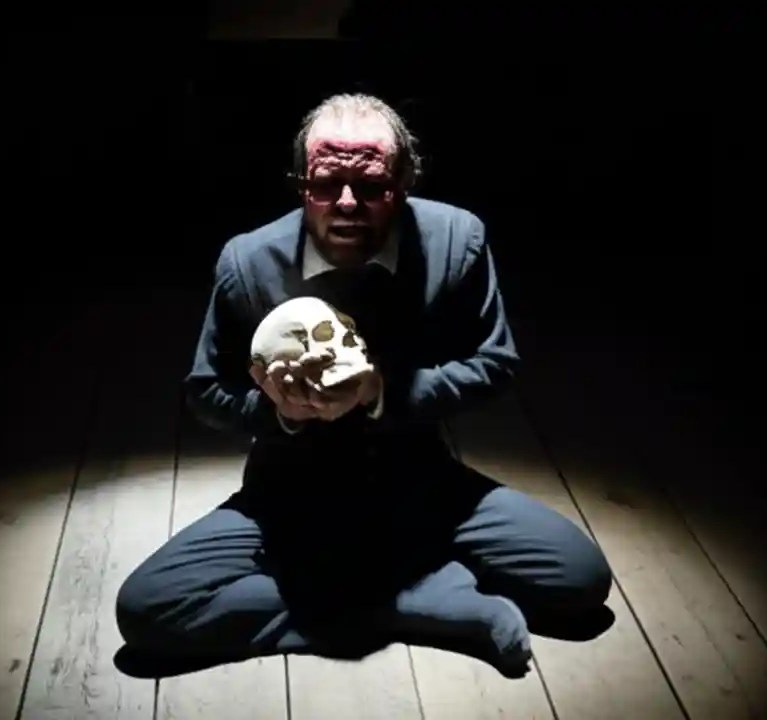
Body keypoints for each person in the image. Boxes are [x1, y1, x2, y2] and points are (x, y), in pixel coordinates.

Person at [115, 93, 614, 679]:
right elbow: (207, 388)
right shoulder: (249, 262)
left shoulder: (457, 242)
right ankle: (421, 606)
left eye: (372, 186)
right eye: (327, 184)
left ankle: (346, 601)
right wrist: (280, 413)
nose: (347, 205)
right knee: (147, 610)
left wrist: (382, 392)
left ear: (404, 182)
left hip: (421, 481)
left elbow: (493, 362)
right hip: (289, 492)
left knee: (580, 579)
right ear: (302, 183)